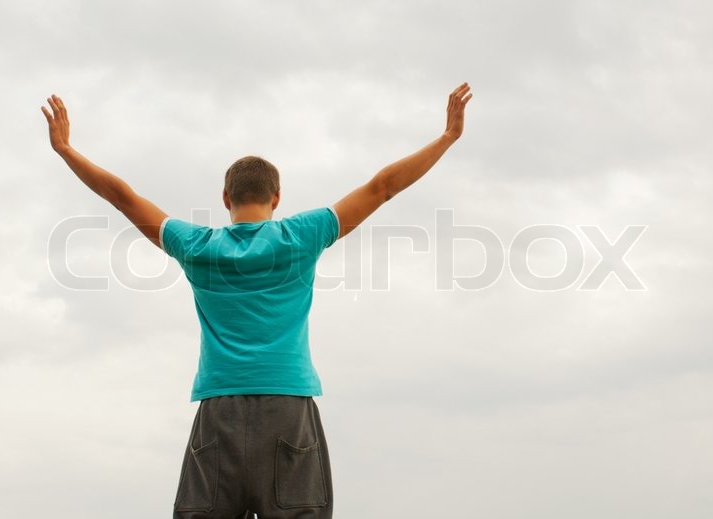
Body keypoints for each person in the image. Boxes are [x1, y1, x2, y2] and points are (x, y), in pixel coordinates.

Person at [42, 82, 472, 519]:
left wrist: (66, 150)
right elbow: (382, 187)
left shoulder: (196, 246)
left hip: (220, 410)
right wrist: (447, 138)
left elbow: (123, 197)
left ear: (225, 199)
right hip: (287, 407)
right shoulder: (302, 236)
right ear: (277, 198)